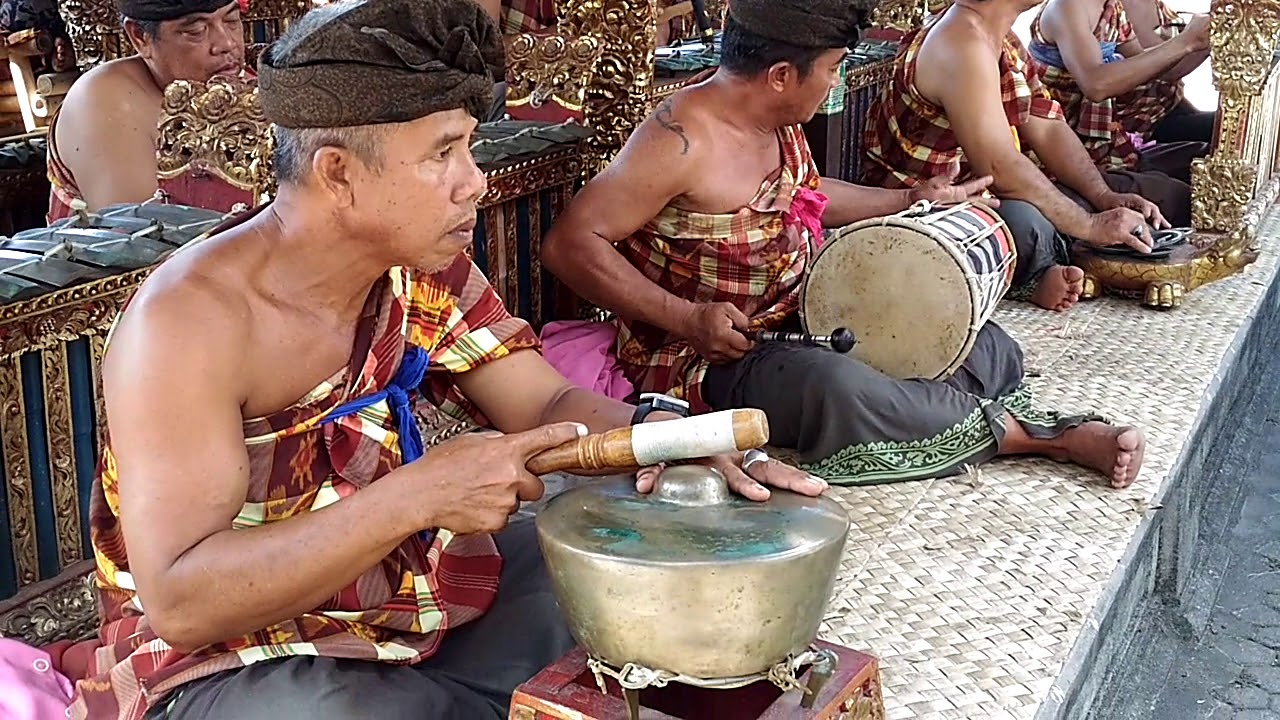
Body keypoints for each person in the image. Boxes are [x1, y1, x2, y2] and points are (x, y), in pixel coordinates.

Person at [65, 2, 822, 719]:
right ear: (338, 173)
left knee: (615, 573)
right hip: (233, 651)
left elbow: (546, 404)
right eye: (443, 154)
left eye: (469, 147)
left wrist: (671, 438)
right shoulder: (189, 324)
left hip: (406, 586)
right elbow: (184, 602)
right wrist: (417, 498)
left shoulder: (417, 264)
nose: (475, 181)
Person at [540, 0, 1145, 488]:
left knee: (985, 345)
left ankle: (946, 413)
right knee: (837, 390)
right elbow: (569, 243)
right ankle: (1038, 439)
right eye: (832, 69)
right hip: (707, 355)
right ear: (782, 76)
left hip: (803, 314)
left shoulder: (773, 120)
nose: (836, 82)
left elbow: (807, 193)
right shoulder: (678, 140)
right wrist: (686, 318)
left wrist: (911, 199)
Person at [861, 0, 1194, 313]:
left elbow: (1047, 127)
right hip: (933, 212)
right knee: (1028, 225)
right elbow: (1000, 168)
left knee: (1152, 196)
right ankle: (1032, 278)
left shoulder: (1000, 35)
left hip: (992, 194)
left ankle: (1063, 257)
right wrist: (1091, 225)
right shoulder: (961, 42)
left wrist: (1103, 196)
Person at [45, 0, 247, 222]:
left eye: (232, 20)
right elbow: (145, 236)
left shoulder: (248, 80)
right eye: (196, 31)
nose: (227, 43)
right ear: (140, 37)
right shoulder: (105, 99)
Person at [1027, 0, 1212, 172]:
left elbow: (1157, 69)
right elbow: (1096, 85)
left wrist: (1209, 35)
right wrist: (1186, 41)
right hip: (1059, 156)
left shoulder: (1111, 8)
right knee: (1200, 171)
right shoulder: (1067, 6)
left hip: (1111, 141)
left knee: (1212, 151)